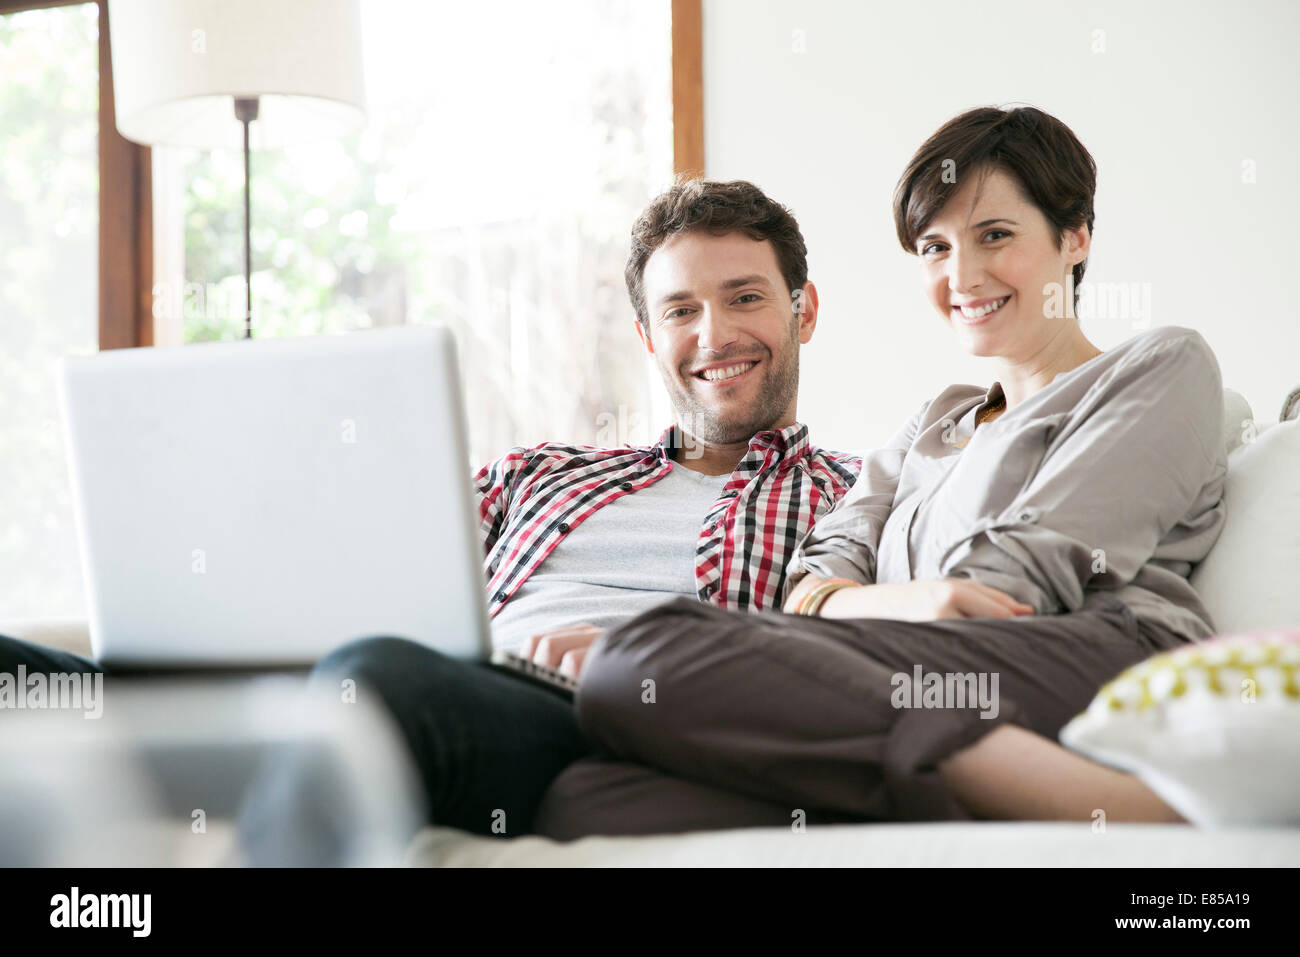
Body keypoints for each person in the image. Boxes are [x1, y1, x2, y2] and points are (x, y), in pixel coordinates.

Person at [0, 179, 862, 848]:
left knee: (379, 678)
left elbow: (875, 670)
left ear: (805, 310)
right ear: (647, 338)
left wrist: (659, 658)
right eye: (681, 309)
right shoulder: (544, 471)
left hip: (584, 720)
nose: (713, 334)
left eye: (745, 297)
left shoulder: (862, 493)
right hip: (388, 666)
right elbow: (382, 551)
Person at [532, 105, 1228, 839]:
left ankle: (1141, 808)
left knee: (645, 652)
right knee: (589, 796)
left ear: (1075, 235)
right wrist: (905, 601)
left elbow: (1014, 582)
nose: (961, 275)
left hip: (1095, 656)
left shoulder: (1159, 366)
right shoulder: (938, 419)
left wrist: (860, 604)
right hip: (924, 674)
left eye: (994, 235)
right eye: (935, 247)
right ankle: (975, 785)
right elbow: (815, 574)